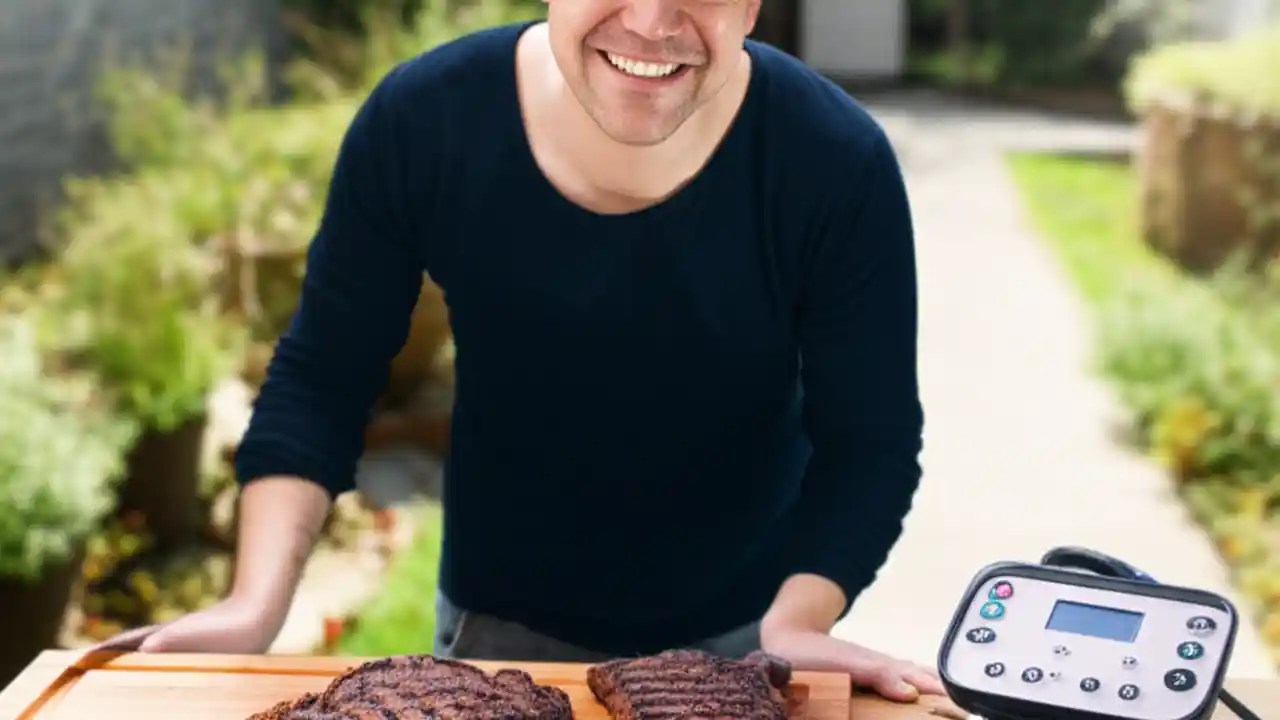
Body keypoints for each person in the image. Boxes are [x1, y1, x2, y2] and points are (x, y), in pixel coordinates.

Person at [98, 0, 944, 704]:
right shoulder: (424, 120)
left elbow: (868, 446)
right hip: (494, 639)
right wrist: (254, 606)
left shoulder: (835, 162)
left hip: (747, 639)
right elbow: (321, 379)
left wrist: (796, 624)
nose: (651, 21)